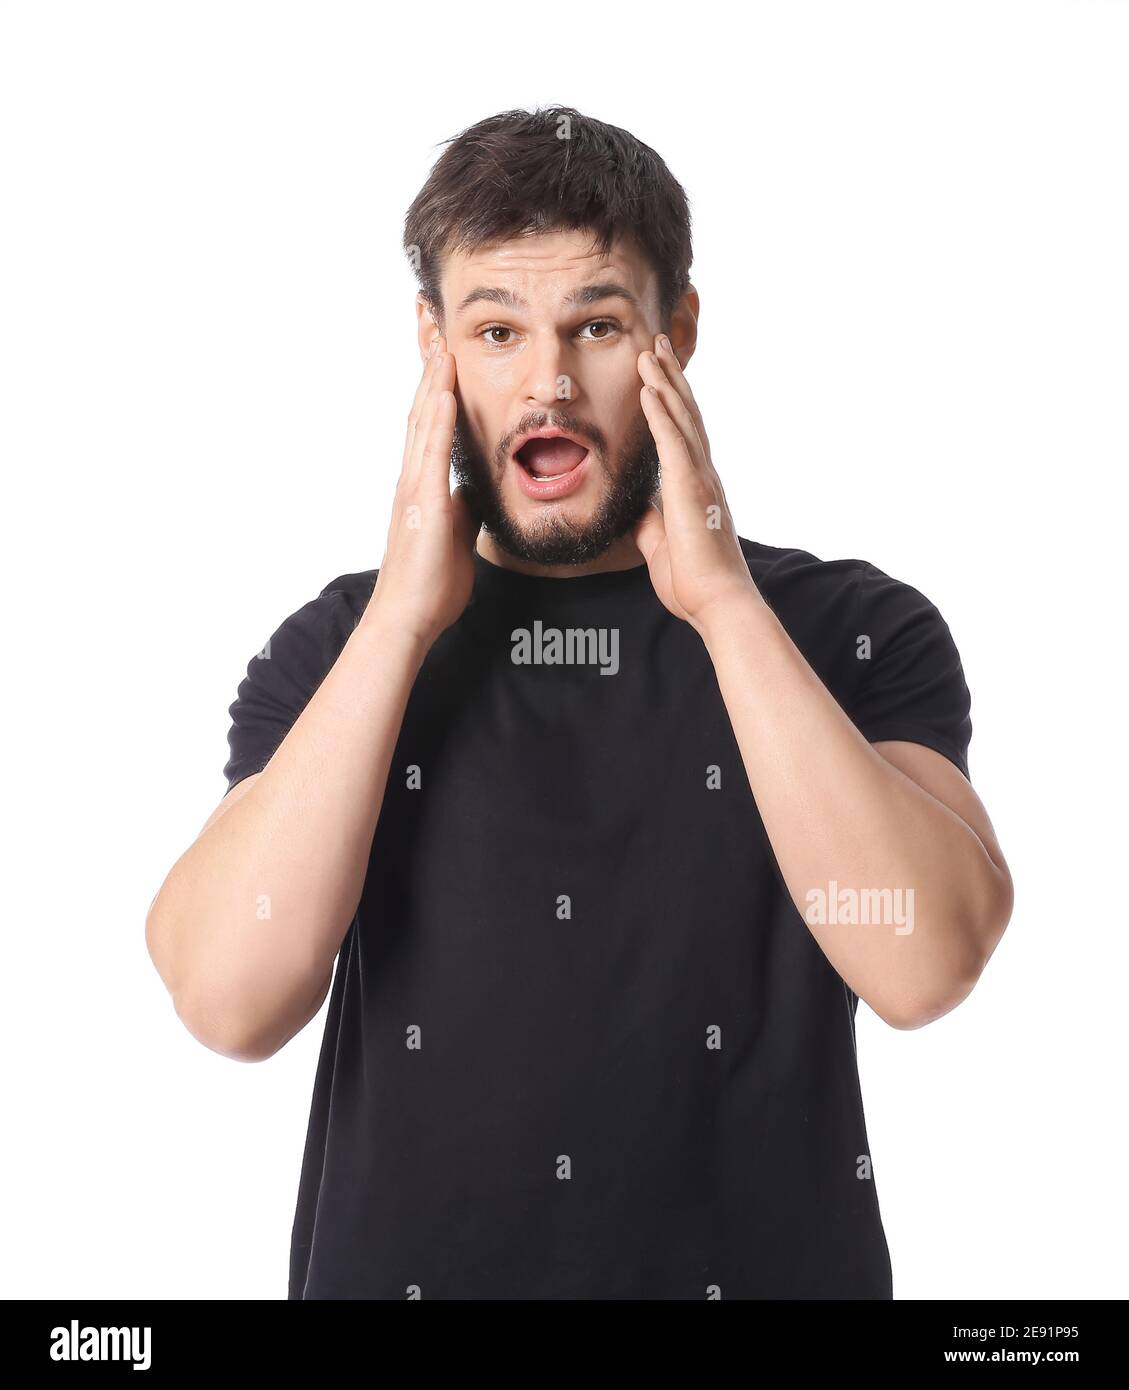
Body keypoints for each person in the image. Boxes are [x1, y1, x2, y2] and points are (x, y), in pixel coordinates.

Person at [145, 106, 1014, 1300]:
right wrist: (402, 619)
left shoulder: (846, 627)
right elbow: (228, 999)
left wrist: (723, 604)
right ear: (432, 348)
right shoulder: (344, 646)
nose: (546, 382)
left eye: (596, 326)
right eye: (495, 329)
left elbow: (924, 964)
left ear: (679, 332)